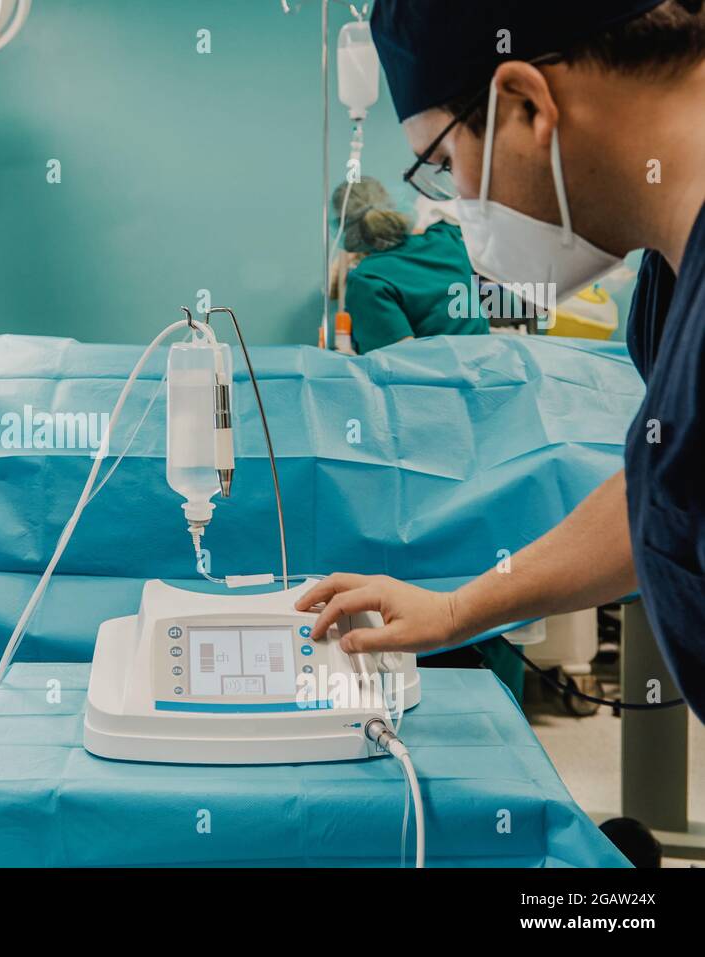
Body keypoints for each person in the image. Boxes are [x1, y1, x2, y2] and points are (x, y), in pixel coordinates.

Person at [297, 0, 705, 726]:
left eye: (445, 161)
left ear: (524, 104)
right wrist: (457, 607)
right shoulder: (670, 284)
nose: (456, 198)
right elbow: (664, 486)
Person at [330, 175, 484, 353]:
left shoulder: (368, 280)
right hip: (487, 373)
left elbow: (401, 363)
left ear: (345, 229)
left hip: (437, 379)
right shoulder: (448, 240)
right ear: (392, 205)